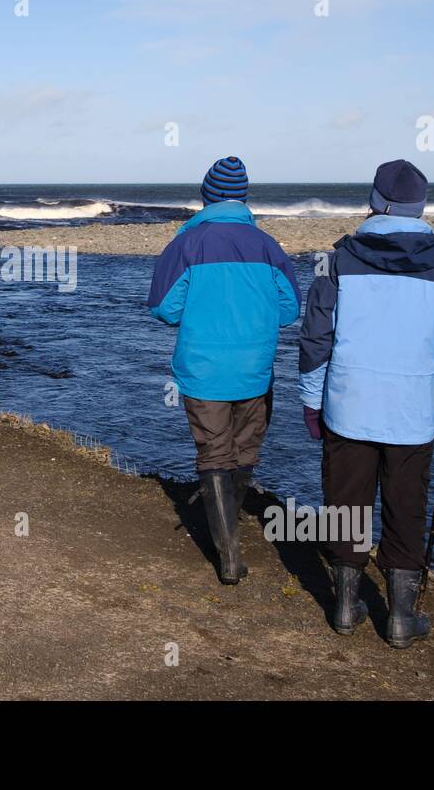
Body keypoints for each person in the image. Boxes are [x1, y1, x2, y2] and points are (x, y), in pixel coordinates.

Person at [298, 160, 434, 647]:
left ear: (375, 202)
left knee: (347, 505)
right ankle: (401, 619)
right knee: (406, 508)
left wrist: (313, 402)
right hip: (413, 414)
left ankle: (343, 607)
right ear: (420, 207)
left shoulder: (339, 262)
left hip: (348, 407)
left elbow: (316, 339)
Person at [147, 156, 300, 584]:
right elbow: (289, 308)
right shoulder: (268, 245)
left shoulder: (186, 244)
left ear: (207, 196)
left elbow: (165, 308)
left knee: (214, 452)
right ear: (244, 197)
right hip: (256, 367)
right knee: (244, 452)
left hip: (203, 367)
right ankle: (229, 533)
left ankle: (228, 555)